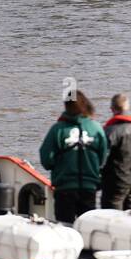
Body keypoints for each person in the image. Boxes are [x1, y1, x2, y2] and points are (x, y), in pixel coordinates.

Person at [39, 90, 109, 223]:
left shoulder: (57, 129)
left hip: (64, 187)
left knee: (65, 228)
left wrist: (58, 165)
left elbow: (46, 159)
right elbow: (103, 157)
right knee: (88, 228)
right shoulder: (96, 128)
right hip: (89, 188)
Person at [101, 94, 131, 210]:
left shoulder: (110, 131)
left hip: (115, 183)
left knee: (112, 218)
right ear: (127, 107)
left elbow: (101, 160)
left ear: (112, 109)